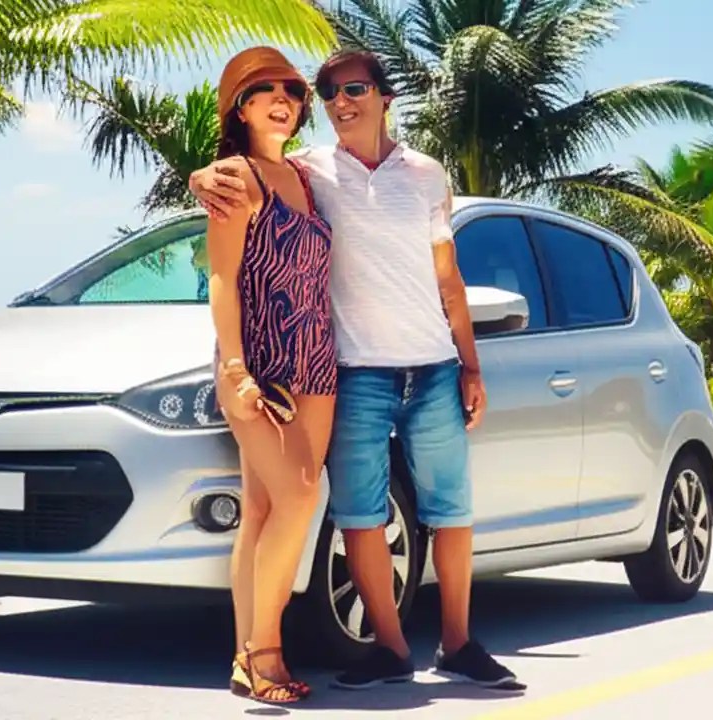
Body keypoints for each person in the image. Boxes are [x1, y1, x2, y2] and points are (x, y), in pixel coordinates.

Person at [191, 49, 519, 690]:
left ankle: (456, 643)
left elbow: (448, 278)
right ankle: (330, 651)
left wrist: (471, 366)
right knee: (342, 509)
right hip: (338, 368)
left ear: (385, 97)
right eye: (328, 91)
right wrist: (202, 177)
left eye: (354, 89)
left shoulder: (412, 174)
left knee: (442, 509)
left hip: (394, 366)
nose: (339, 101)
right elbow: (229, 232)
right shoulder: (311, 167)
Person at [205, 46, 337, 704]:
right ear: (241, 107)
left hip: (316, 362)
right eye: (265, 91)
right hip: (260, 364)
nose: (283, 97)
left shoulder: (306, 177)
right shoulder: (237, 176)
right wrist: (234, 366)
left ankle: (243, 654)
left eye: (291, 88)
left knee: (262, 510)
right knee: (301, 497)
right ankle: (266, 653)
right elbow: (223, 278)